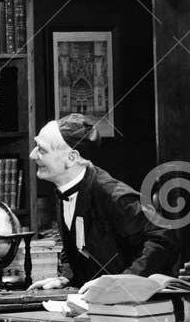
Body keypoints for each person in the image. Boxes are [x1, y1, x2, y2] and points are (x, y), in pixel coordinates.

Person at [26, 114, 180, 290]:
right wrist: (67, 277)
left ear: (72, 158)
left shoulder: (113, 195)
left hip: (136, 306)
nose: (32, 155)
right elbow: (78, 244)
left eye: (41, 149)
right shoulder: (66, 187)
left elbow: (163, 238)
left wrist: (125, 281)